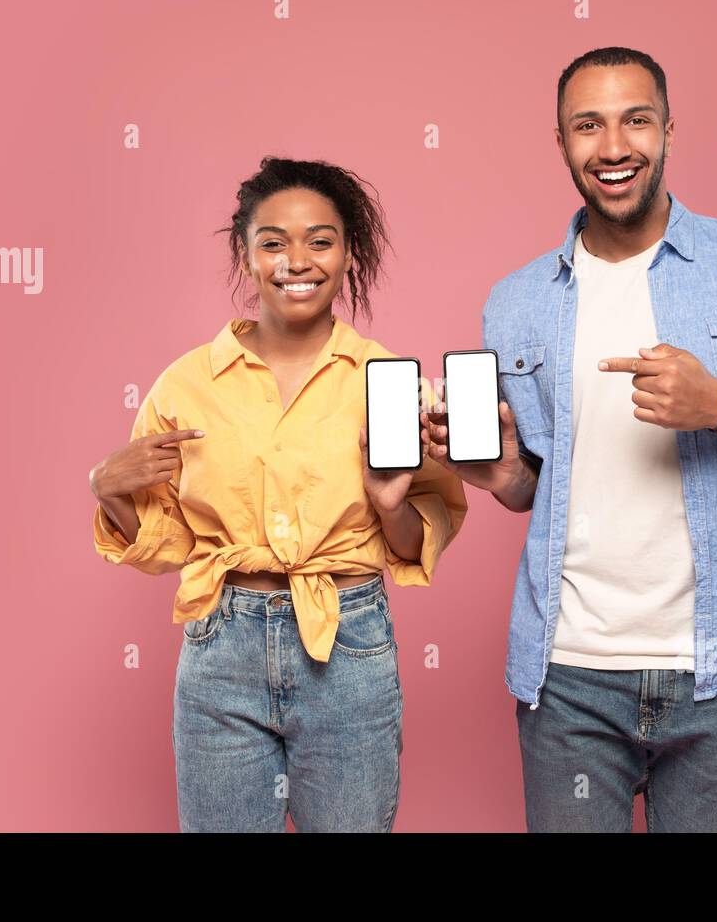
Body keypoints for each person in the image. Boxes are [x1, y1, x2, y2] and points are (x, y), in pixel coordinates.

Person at [425, 46, 717, 831]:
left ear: (669, 130)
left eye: (636, 120)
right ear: (561, 143)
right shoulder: (516, 302)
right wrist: (493, 470)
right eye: (588, 125)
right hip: (569, 674)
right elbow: (536, 485)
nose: (614, 146)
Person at [89, 156, 468, 832]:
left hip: (349, 649)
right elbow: (168, 544)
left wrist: (388, 503)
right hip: (220, 650)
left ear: (349, 254)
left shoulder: (387, 380)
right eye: (273, 241)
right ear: (246, 253)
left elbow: (416, 542)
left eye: (320, 240)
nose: (298, 260)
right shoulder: (185, 385)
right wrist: (108, 490)